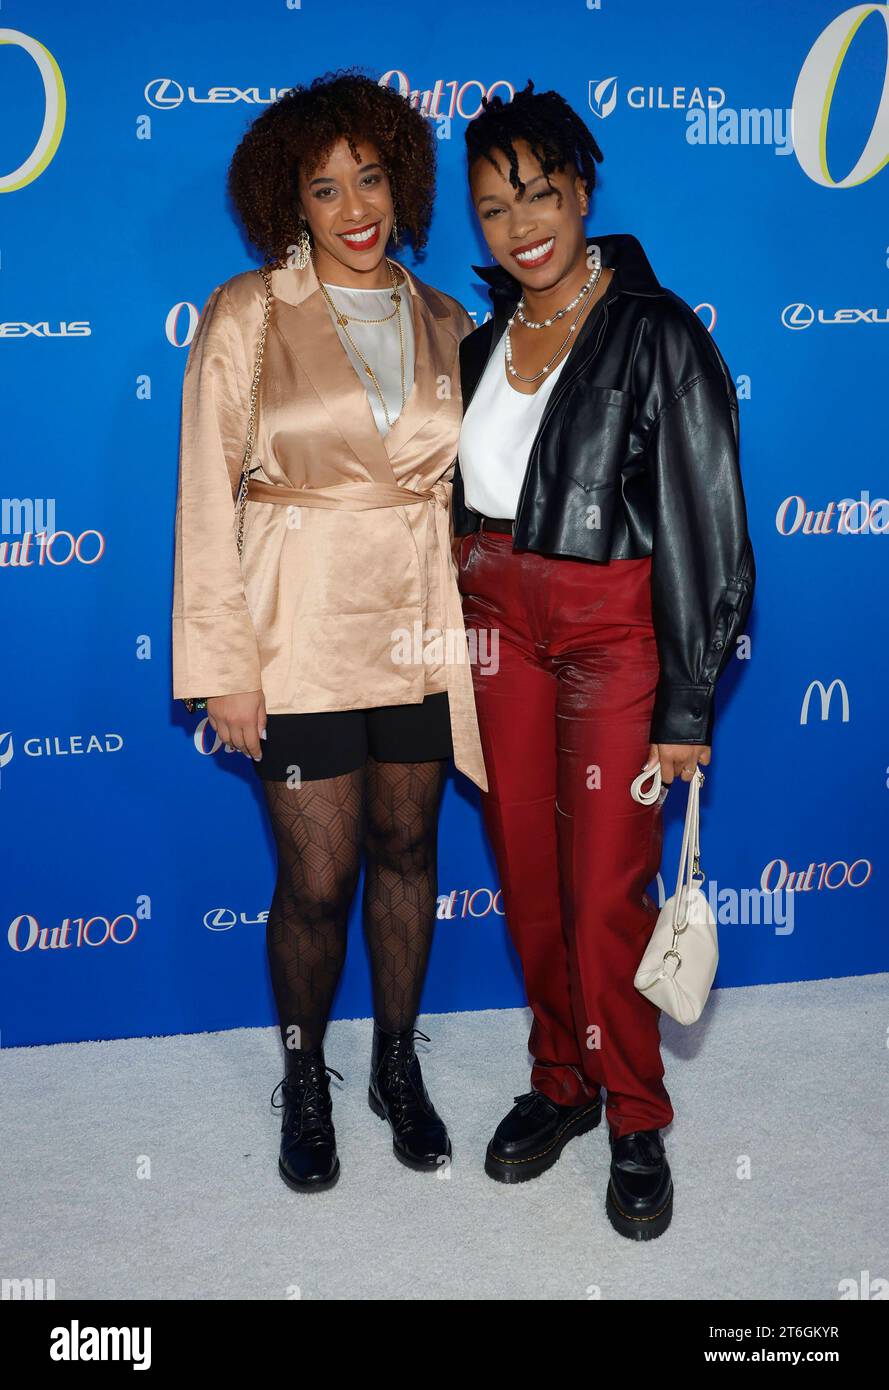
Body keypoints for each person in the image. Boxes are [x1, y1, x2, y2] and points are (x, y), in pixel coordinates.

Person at [172, 70, 486, 1193]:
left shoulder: (448, 319)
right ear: (287, 206)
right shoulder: (248, 311)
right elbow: (209, 497)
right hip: (294, 629)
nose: (354, 206)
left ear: (401, 182)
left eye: (370, 177)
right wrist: (222, 667)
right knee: (316, 881)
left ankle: (396, 1064)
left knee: (409, 852)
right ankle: (306, 1078)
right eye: (323, 187)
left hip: (413, 624)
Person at [453, 82, 755, 1239]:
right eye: (491, 206)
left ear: (581, 188)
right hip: (496, 632)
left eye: (536, 190)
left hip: (614, 633)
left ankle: (635, 1109)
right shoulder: (482, 341)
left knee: (598, 890)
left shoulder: (656, 328)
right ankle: (561, 1079)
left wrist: (687, 700)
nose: (519, 221)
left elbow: (709, 531)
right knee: (529, 875)